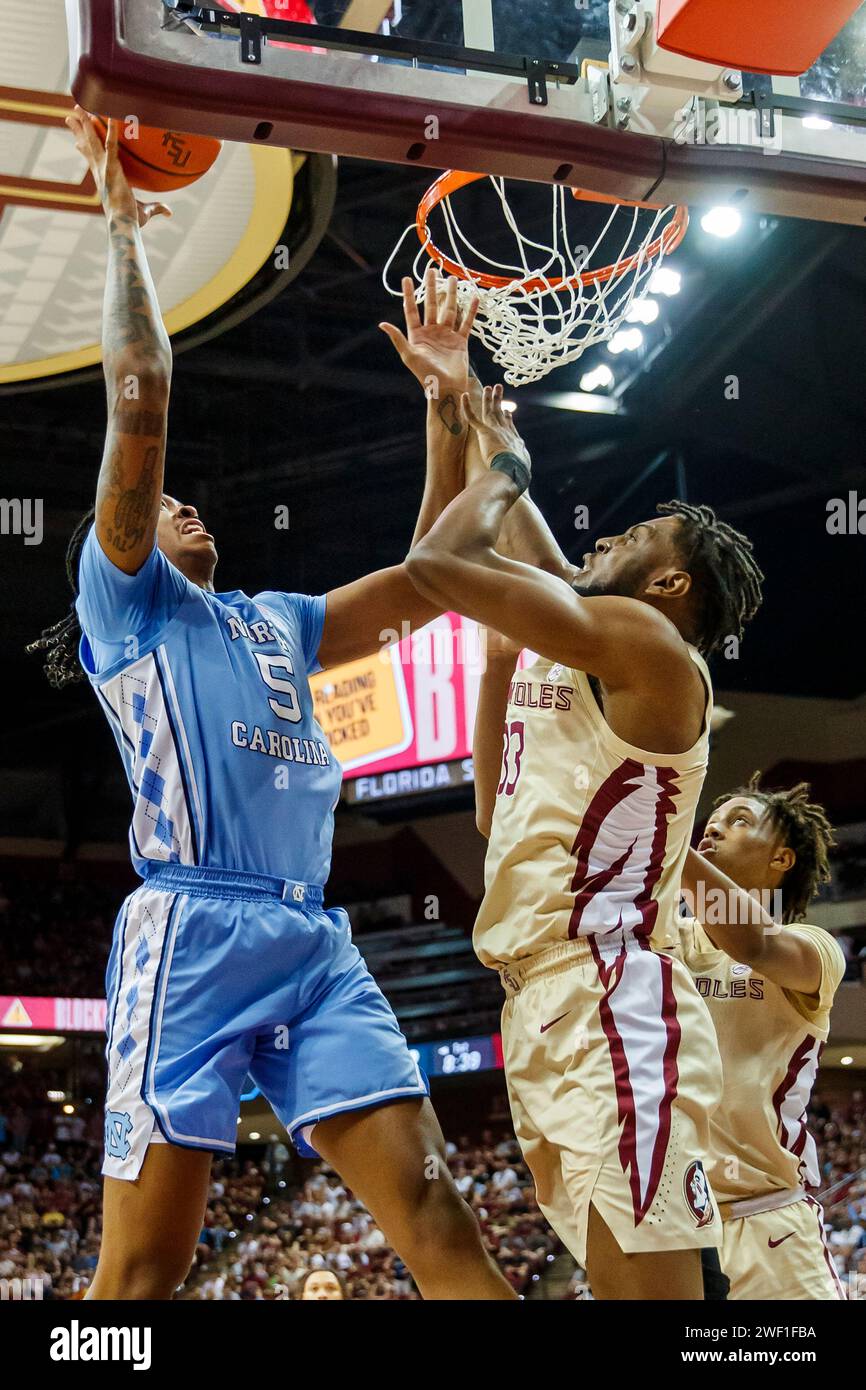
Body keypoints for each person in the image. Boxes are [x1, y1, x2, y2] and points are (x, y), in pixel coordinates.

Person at [26, 110, 514, 1302]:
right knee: (142, 1275)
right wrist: (122, 230)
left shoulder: (275, 617)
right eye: (160, 501)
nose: (179, 503)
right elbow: (140, 392)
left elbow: (422, 586)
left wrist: (444, 408)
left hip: (310, 938)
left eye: (194, 498)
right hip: (190, 933)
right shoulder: (129, 606)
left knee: (434, 1210)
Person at [404, 382, 763, 1299]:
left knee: (653, 1294)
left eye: (631, 539)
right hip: (544, 998)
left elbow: (442, 560)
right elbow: (493, 816)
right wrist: (467, 411)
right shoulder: (594, 639)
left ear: (668, 585)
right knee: (623, 1284)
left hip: (609, 990)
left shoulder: (645, 643)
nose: (600, 540)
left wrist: (512, 462)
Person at [675, 775, 847, 1299]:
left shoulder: (812, 947)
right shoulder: (661, 940)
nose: (713, 831)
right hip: (671, 1233)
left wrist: (670, 846)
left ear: (782, 859)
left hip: (767, 1226)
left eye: (740, 821)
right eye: (710, 824)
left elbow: (753, 943)